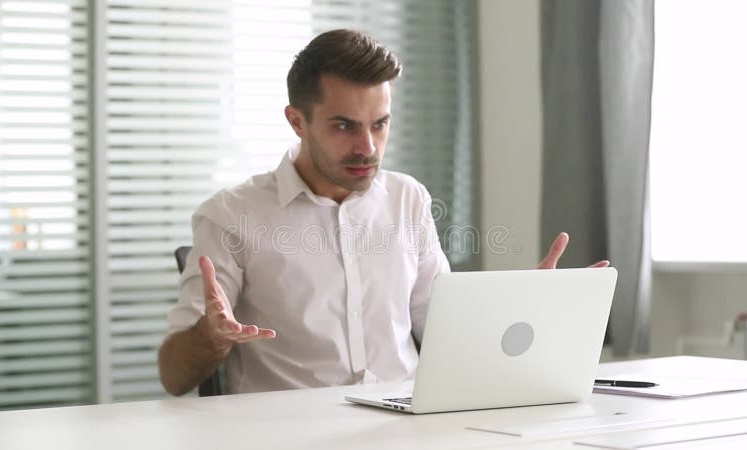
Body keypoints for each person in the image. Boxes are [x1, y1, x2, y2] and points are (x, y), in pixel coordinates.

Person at [158, 29, 608, 396]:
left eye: (380, 123)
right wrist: (212, 336)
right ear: (297, 121)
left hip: (406, 425)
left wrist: (529, 311)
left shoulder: (407, 198)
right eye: (344, 126)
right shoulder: (230, 215)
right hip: (289, 433)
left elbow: (446, 332)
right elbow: (175, 377)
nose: (367, 147)